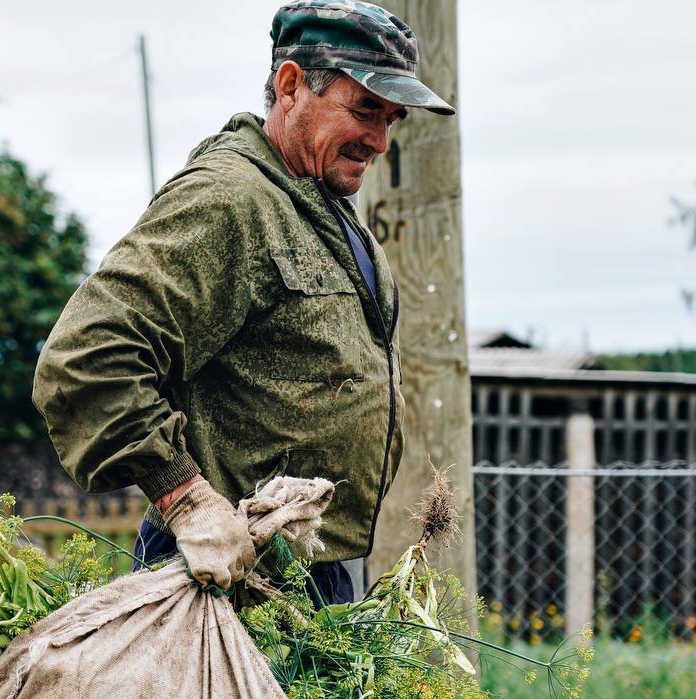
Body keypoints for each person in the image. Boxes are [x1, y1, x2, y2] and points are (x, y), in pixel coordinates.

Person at [32, 0, 455, 606]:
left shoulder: (318, 204)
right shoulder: (231, 199)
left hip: (307, 571)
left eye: (393, 119)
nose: (380, 140)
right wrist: (186, 499)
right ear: (290, 85)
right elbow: (87, 356)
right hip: (223, 581)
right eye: (365, 110)